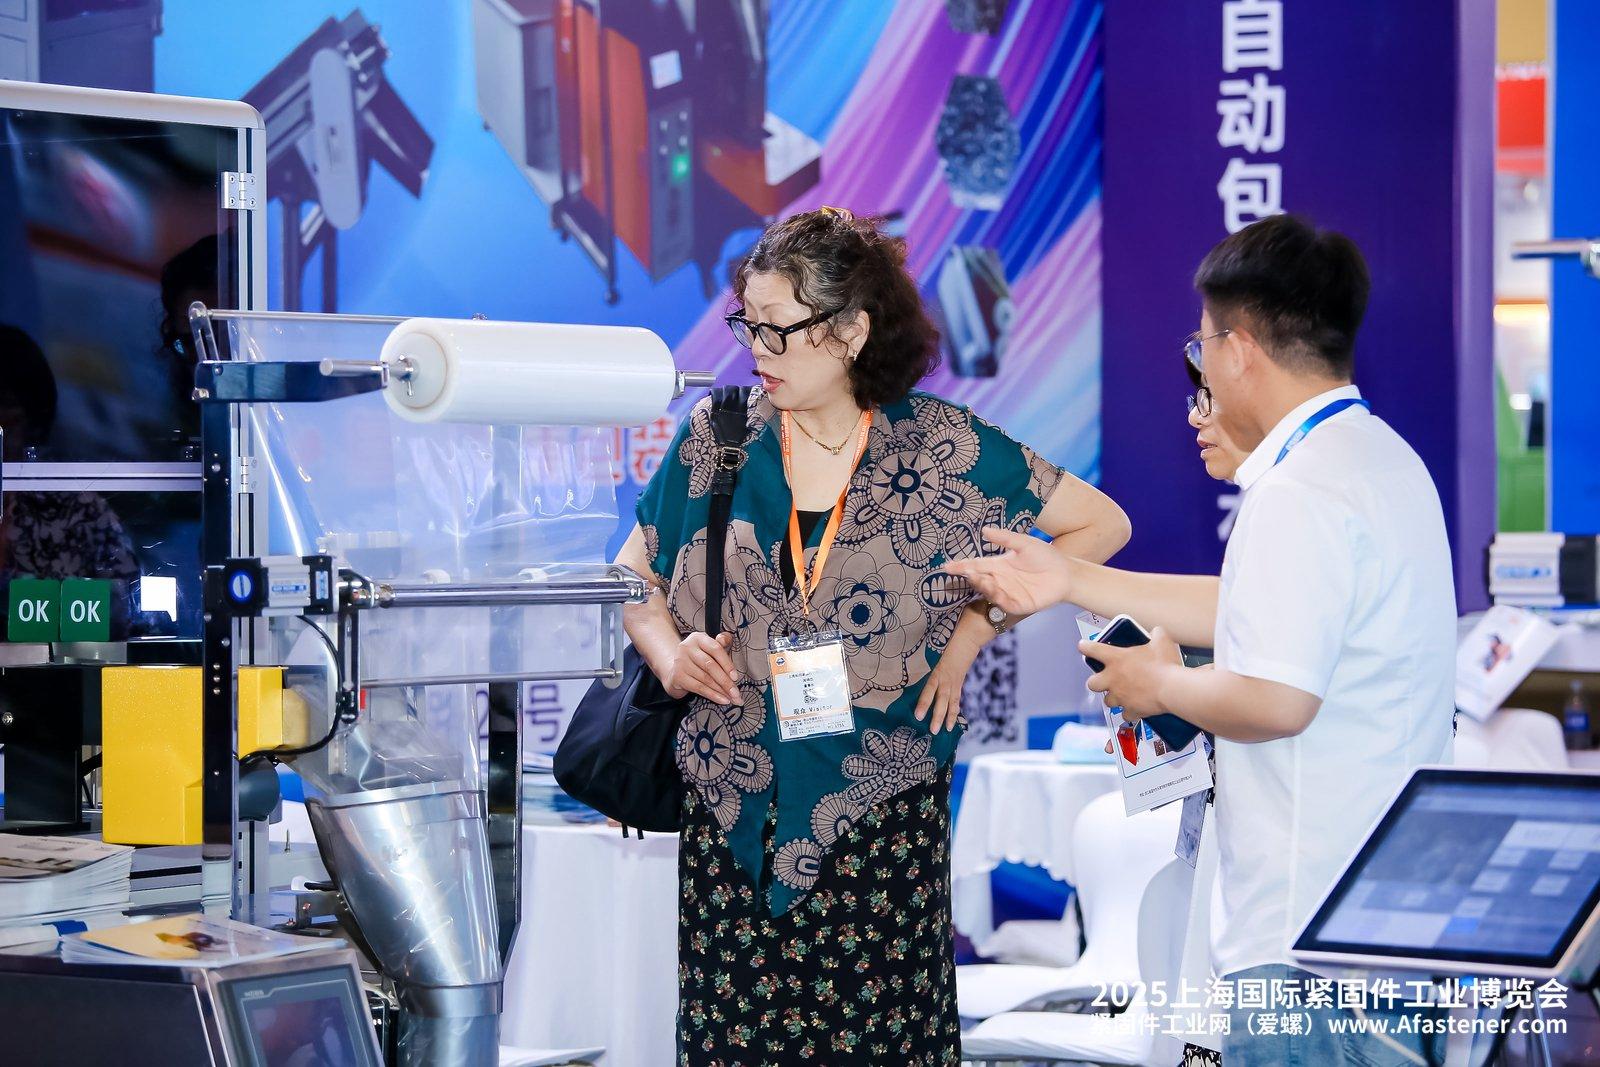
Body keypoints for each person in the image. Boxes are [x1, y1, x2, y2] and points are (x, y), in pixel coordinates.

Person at [615, 207, 1130, 1064]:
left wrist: (972, 634)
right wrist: (671, 657)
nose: (759, 350)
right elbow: (635, 578)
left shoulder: (942, 446)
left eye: (780, 329)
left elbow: (1100, 526)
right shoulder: (722, 435)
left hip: (879, 818)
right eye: (749, 325)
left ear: (851, 329)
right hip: (735, 815)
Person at [945, 215, 1455, 1066]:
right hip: (1380, 922)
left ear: (1240, 349)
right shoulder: (1379, 460)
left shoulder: (1299, 491)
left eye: (1204, 343)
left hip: (1307, 939)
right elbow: (1255, 611)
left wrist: (1160, 686)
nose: (1202, 368)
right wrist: (1070, 577)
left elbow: (1276, 698)